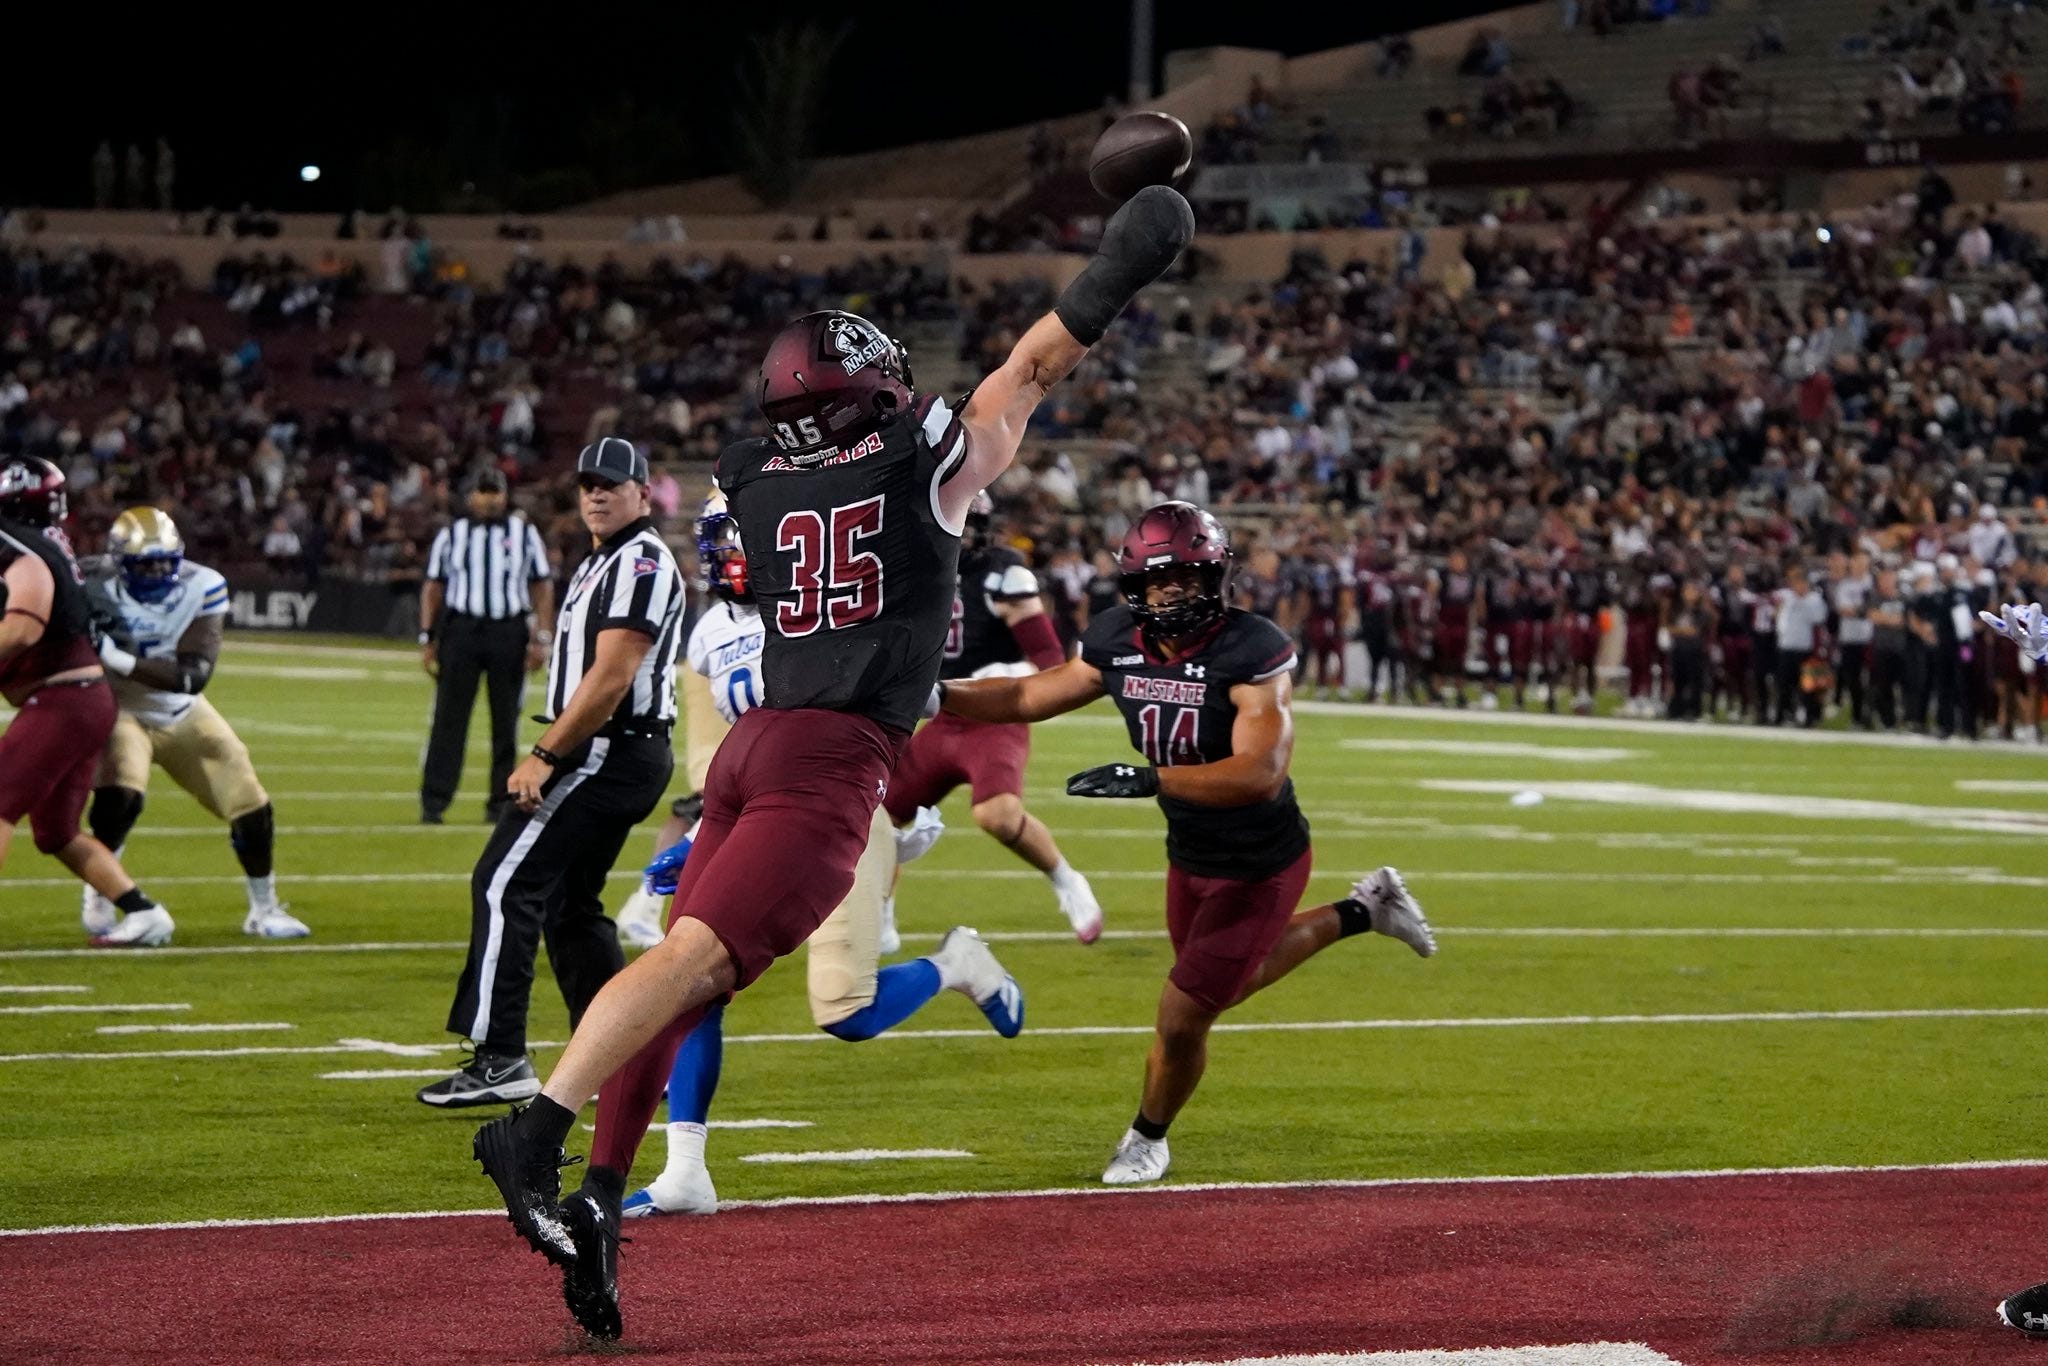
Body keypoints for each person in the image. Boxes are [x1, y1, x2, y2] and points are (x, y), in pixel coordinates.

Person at [470, 185, 1194, 1343]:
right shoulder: (921, 459)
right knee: (694, 964)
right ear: (874, 392)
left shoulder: (749, 472)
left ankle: (601, 1191)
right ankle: (537, 1127)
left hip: (757, 738)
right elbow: (1033, 366)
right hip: (832, 755)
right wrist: (1123, 260)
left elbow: (781, 471)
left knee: (677, 974)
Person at [936, 501, 1437, 1186]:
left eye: (1190, 579)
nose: (1175, 594)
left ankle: (1147, 1138)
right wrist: (934, 698)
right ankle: (1363, 909)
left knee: (1182, 1014)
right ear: (1135, 587)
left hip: (1262, 859)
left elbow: (1260, 774)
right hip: (1191, 854)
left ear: (1215, 578)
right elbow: (1029, 696)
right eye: (1161, 581)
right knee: (1228, 985)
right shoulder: (1116, 638)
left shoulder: (1252, 650)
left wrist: (1150, 779)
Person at [620, 490, 1019, 1218]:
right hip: (747, 818)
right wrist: (702, 835)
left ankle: (955, 965)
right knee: (690, 982)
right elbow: (711, 759)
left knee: (845, 1009)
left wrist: (898, 799)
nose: (739, 557)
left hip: (839, 814)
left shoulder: (840, 613)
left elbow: (899, 709)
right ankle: (685, 1169)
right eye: (727, 541)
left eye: (751, 540)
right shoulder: (710, 631)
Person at [416, 438, 684, 1109]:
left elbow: (613, 678)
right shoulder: (607, 560)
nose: (596, 494)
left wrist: (545, 753)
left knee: (504, 880)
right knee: (570, 905)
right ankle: (621, 1057)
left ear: (643, 494)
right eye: (588, 484)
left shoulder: (641, 562)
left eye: (612, 485)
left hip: (607, 749)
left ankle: (501, 1055)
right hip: (608, 748)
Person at [880, 489, 1101, 948]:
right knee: (873, 816)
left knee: (997, 814)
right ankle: (880, 912)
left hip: (993, 716)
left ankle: (1066, 880)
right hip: (942, 715)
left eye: (963, 524)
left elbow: (1049, 660)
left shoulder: (1003, 574)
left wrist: (1002, 676)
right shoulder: (910, 572)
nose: (953, 536)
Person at [79, 507, 307, 943]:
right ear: (119, 561)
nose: (159, 571)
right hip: (121, 708)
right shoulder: (89, 582)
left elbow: (192, 676)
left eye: (166, 561)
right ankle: (101, 891)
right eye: (146, 563)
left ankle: (264, 909)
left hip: (182, 708)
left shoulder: (202, 585)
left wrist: (115, 657)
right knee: (121, 798)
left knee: (252, 806)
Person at [0, 458, 172, 942]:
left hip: (63, 698)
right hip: (82, 700)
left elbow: (22, 626)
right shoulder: (44, 541)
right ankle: (143, 912)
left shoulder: (25, 551)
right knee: (57, 832)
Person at [418, 468, 556, 824]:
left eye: (495, 491)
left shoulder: (524, 533)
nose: (490, 498)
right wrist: (427, 637)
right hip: (461, 630)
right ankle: (434, 802)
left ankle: (500, 802)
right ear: (470, 496)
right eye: (483, 491)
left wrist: (542, 637)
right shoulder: (452, 534)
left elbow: (541, 585)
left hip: (508, 631)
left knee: (506, 722)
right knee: (448, 720)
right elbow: (433, 587)